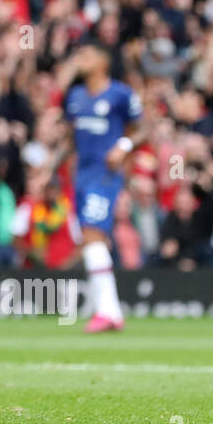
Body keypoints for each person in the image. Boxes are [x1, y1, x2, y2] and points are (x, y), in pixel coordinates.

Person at [60, 42, 142, 333]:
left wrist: (124, 145)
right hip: (81, 175)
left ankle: (107, 312)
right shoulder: (76, 95)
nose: (80, 58)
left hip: (105, 174)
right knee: (89, 237)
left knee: (93, 234)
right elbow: (71, 137)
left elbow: (143, 127)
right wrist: (53, 164)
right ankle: (111, 312)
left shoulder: (120, 93)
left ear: (103, 61)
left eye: (86, 53)